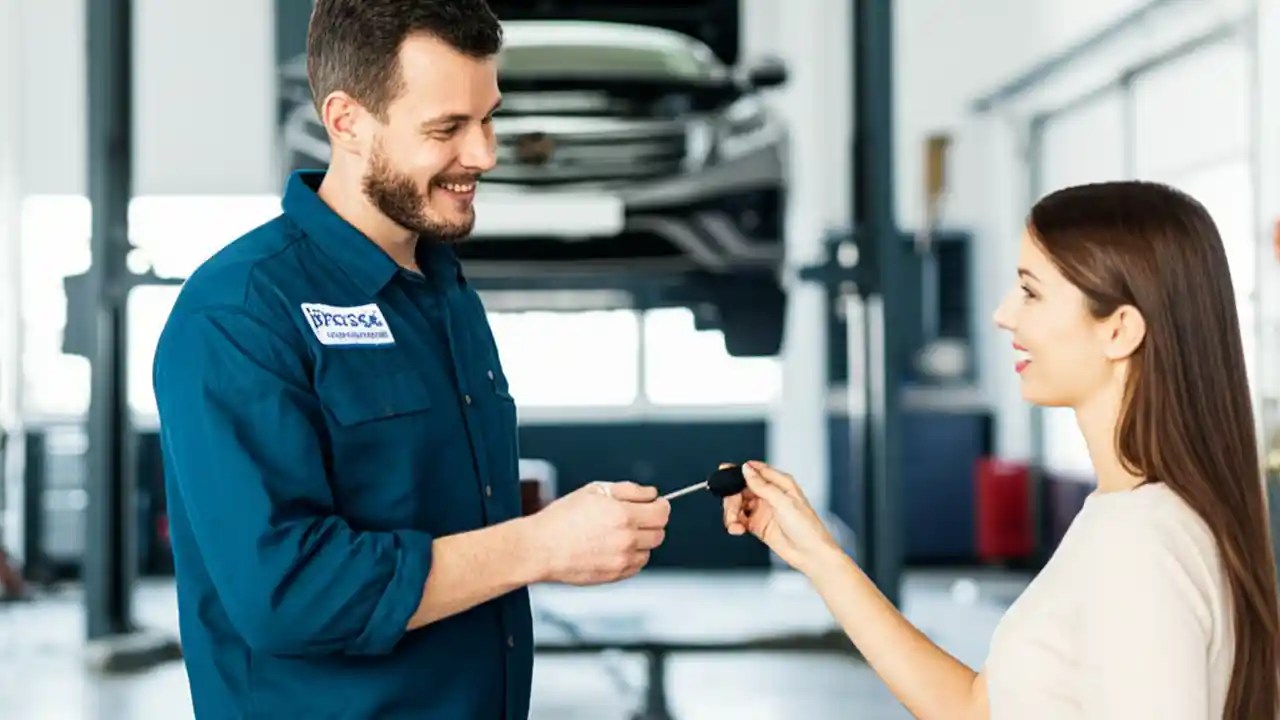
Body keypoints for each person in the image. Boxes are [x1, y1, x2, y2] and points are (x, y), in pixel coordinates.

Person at [151, 1, 671, 717]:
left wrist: (573, 535)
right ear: (346, 121)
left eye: (488, 117)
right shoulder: (241, 313)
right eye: (446, 128)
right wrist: (540, 548)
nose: (485, 154)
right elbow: (287, 594)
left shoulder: (445, 294)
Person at [723, 181, 1280, 719]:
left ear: (1119, 331)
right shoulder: (1123, 517)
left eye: (1031, 291)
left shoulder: (1143, 539)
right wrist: (819, 556)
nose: (1003, 314)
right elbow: (975, 709)